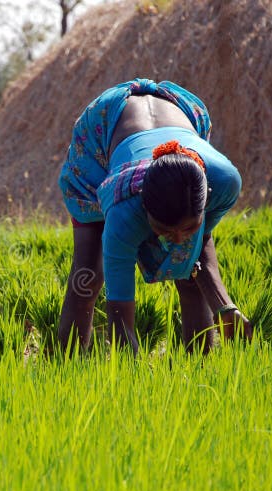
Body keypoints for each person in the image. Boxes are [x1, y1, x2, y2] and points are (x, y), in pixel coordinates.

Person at [57, 78, 252, 355]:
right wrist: (130, 370)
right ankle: (61, 366)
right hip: (102, 132)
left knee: (187, 268)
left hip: (177, 110)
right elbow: (119, 316)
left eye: (188, 228)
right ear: (144, 209)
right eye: (164, 230)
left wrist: (224, 306)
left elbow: (202, 241)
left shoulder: (224, 182)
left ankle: (199, 370)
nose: (176, 239)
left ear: (205, 200)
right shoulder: (124, 211)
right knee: (87, 274)